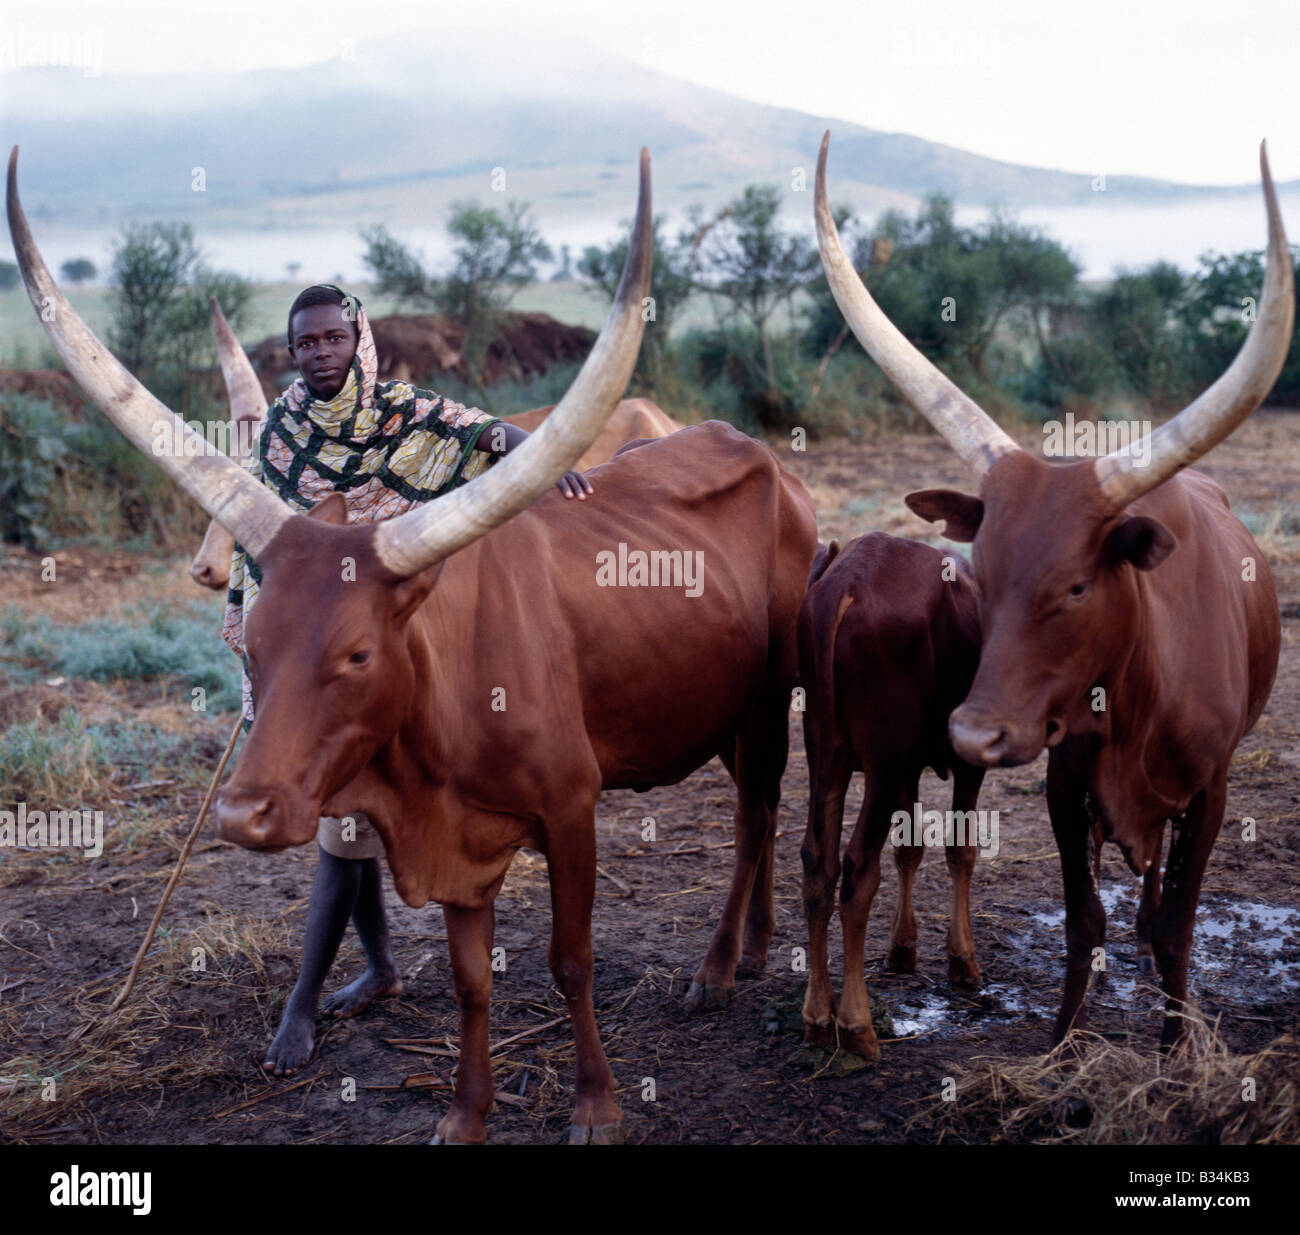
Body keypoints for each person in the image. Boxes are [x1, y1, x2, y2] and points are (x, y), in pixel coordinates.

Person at [221, 284, 592, 1075]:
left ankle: (324, 990)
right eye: (305, 343)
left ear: (358, 338)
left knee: (356, 824)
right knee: (344, 824)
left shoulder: (399, 409)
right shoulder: (283, 428)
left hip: (396, 638)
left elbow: (473, 431)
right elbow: (268, 544)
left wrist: (535, 453)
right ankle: (344, 981)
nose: (319, 352)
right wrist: (267, 656)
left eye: (331, 337)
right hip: (314, 654)